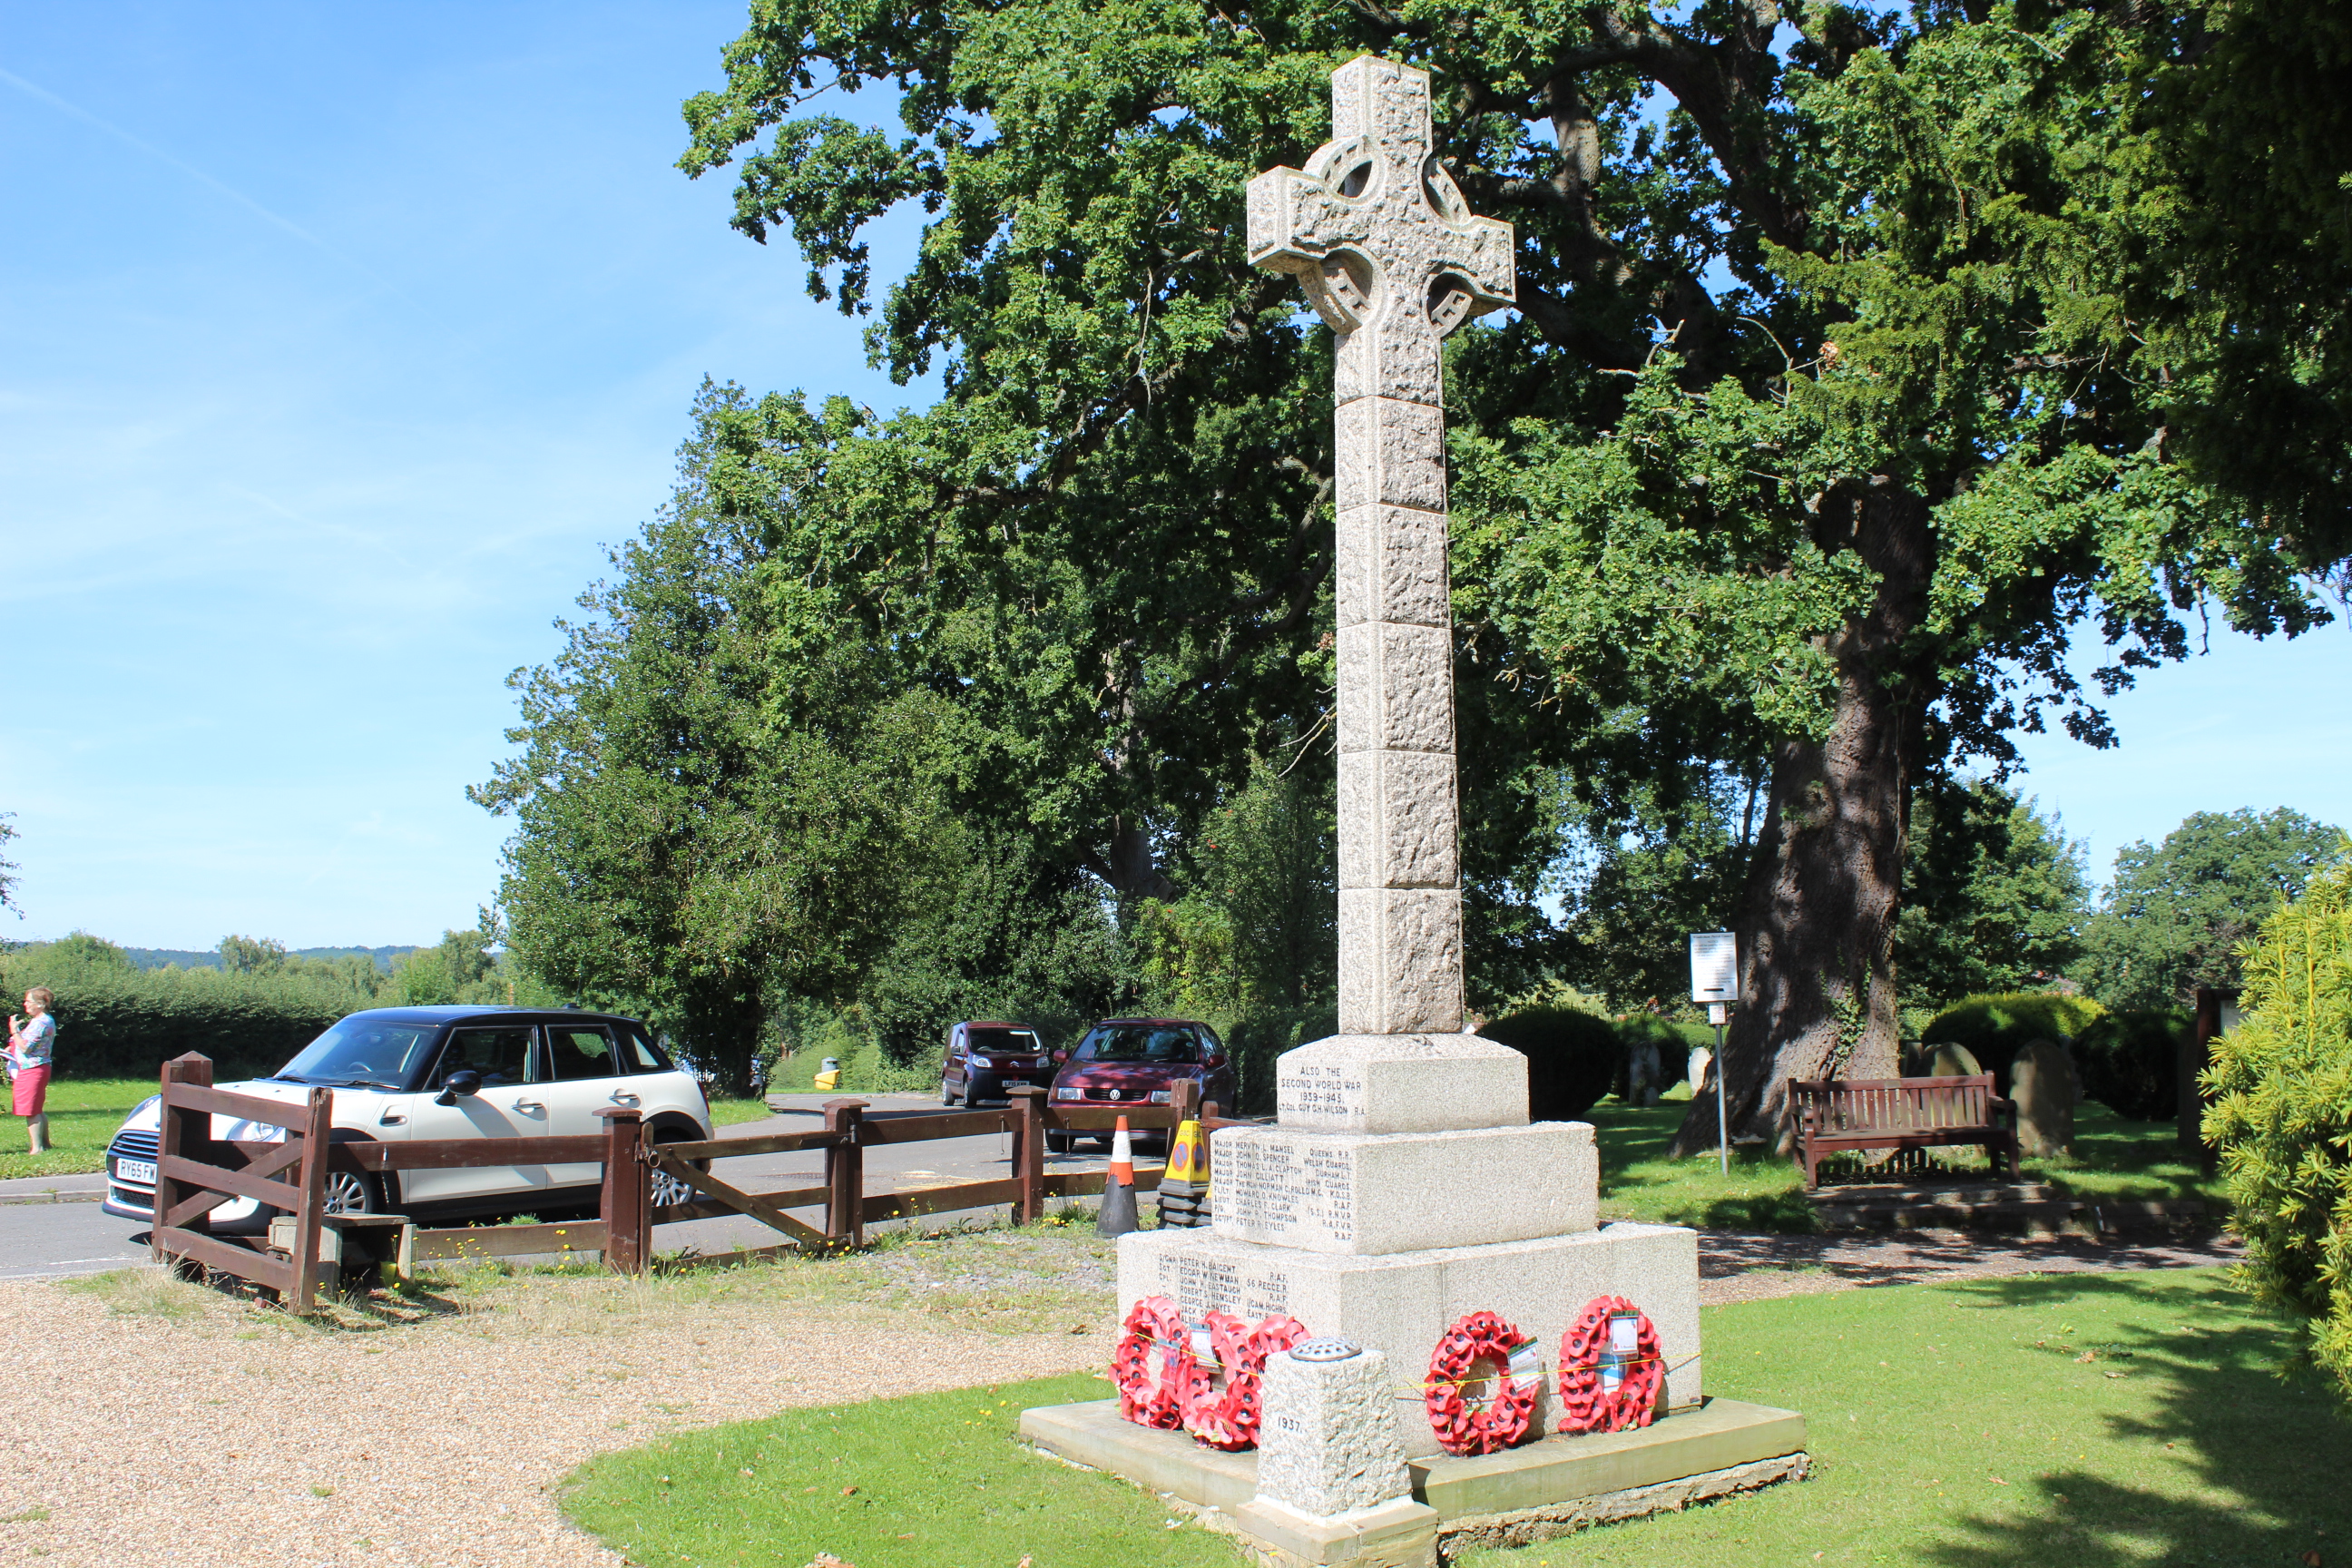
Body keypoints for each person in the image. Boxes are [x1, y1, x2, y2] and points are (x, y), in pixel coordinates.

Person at [6, 988, 54, 1154]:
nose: (25, 1004)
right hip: (35, 1068)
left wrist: (14, 1030)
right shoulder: (39, 1021)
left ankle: (37, 1147)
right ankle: (45, 1144)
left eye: (29, 1001)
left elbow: (26, 1047)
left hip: (32, 1069)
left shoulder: (41, 1022)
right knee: (37, 1108)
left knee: (31, 1110)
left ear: (40, 1004)